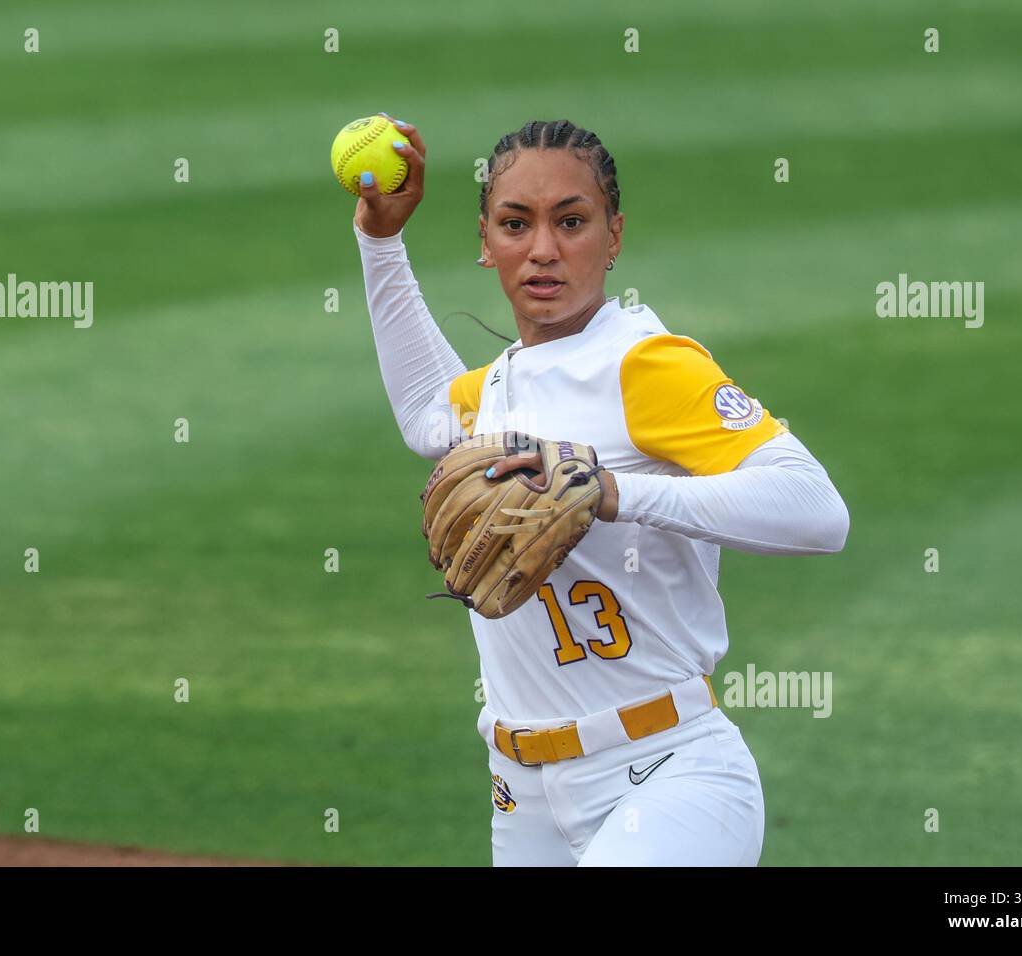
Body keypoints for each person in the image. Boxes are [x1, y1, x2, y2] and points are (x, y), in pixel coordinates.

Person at [352, 115, 849, 866]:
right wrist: (380, 241)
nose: (543, 249)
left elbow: (818, 513)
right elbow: (428, 411)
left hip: (670, 777)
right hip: (522, 797)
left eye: (572, 221)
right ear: (486, 243)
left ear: (614, 236)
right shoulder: (501, 385)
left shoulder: (643, 365)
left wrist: (614, 492)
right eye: (515, 224)